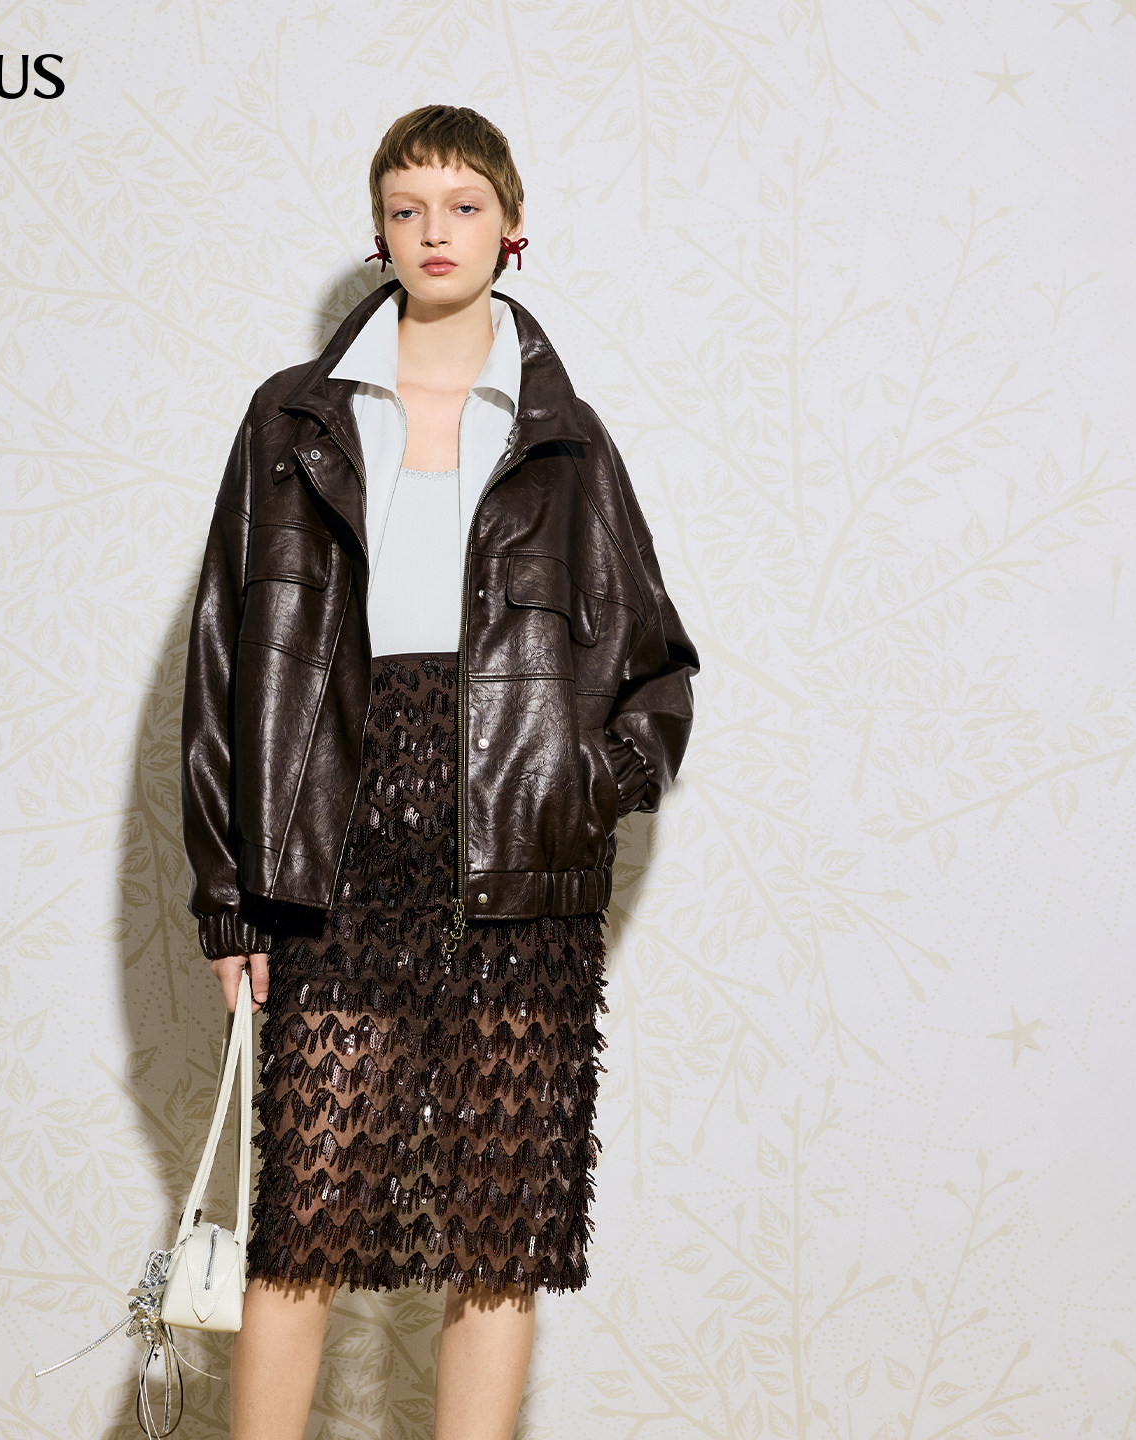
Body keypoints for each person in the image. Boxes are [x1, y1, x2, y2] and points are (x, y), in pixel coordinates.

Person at [180, 104, 699, 1440]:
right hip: (333, 832)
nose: (435, 232)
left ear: (511, 228)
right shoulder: (292, 419)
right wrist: (233, 900)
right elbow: (226, 663)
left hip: (516, 860)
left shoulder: (565, 438)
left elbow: (657, 668)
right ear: (379, 231)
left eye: (463, 205)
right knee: (306, 1215)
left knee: (498, 1224)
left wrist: (577, 788)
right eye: (408, 208)